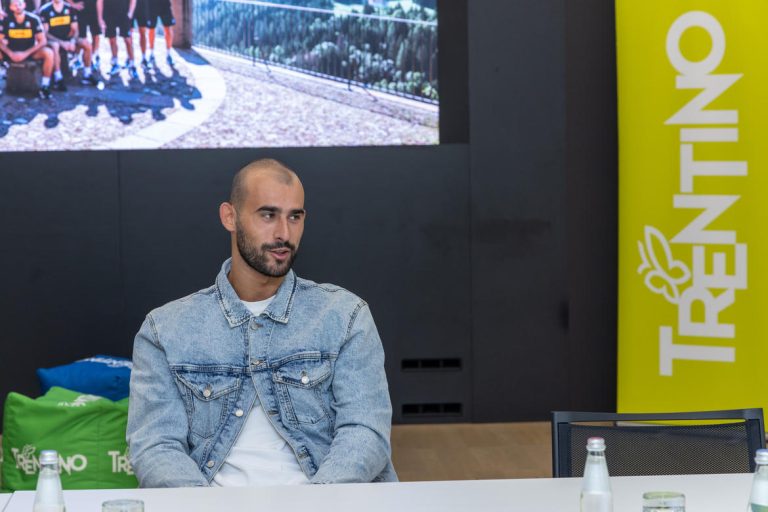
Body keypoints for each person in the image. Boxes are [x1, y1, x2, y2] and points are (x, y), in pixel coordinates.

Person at [127, 159, 397, 488]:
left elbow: (365, 432)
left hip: (326, 500)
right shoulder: (164, 330)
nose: (284, 233)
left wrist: (317, 503)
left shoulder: (345, 315)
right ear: (230, 217)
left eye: (294, 216)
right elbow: (156, 447)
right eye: (268, 215)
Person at [0, 0, 55, 98]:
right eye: (15, 5)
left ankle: (45, 86)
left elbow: (43, 41)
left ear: (24, 5)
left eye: (20, 4)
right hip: (11, 52)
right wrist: (10, 53)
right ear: (11, 7)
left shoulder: (33, 19)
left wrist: (25, 53)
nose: (18, 7)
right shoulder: (5, 20)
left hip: (29, 51)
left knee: (49, 53)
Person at [38, 0, 99, 85]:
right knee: (55, 46)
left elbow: (75, 29)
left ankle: (87, 74)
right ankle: (58, 77)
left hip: (68, 39)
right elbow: (45, 33)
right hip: (53, 40)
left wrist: (72, 41)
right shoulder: (45, 10)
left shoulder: (70, 8)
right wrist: (61, 42)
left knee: (86, 43)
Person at [103, 0, 136, 78]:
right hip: (109, 13)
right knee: (112, 40)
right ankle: (115, 64)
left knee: (128, 40)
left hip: (124, 13)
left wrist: (130, 13)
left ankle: (132, 64)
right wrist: (100, 18)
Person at [69, 0, 102, 72]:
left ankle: (93, 57)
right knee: (80, 36)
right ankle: (78, 58)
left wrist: (100, 18)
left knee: (96, 34)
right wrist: (73, 4)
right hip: (80, 10)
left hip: (94, 9)